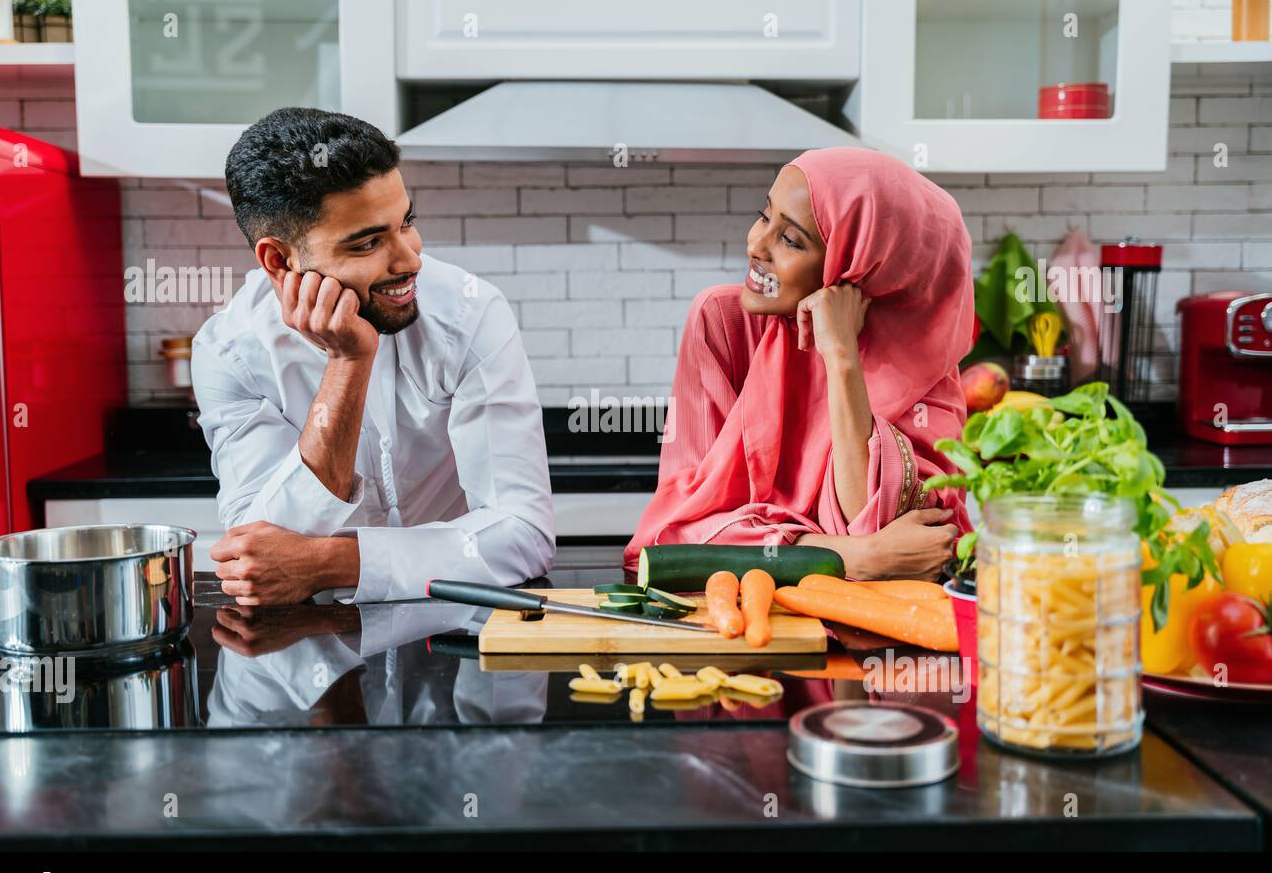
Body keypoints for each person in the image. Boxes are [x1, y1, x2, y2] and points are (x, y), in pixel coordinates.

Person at [192, 107, 554, 605]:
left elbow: (524, 533)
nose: (410, 260)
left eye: (406, 223)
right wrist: (348, 364)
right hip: (312, 651)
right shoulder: (229, 352)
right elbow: (261, 551)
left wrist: (328, 564)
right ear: (279, 260)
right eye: (367, 244)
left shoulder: (470, 314)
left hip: (451, 624)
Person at [624, 148, 974, 582]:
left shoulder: (927, 377)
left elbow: (902, 545)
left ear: (860, 270)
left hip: (875, 641)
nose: (755, 244)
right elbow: (675, 538)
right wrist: (853, 557)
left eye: (791, 240)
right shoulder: (724, 324)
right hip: (746, 625)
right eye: (764, 215)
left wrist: (841, 355)